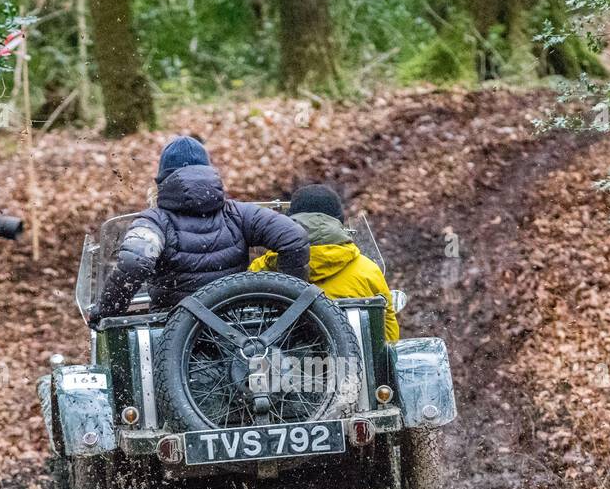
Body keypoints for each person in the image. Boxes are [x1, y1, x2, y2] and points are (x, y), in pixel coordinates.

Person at [92, 136, 310, 321]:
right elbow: (294, 237)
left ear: (162, 181)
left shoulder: (156, 222)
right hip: (238, 330)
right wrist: (289, 304)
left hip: (171, 335)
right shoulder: (238, 214)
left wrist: (107, 313)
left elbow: (134, 261)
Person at [249, 184, 399, 342]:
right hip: (351, 363)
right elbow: (388, 337)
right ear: (339, 223)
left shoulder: (262, 268)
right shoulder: (368, 271)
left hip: (280, 364)